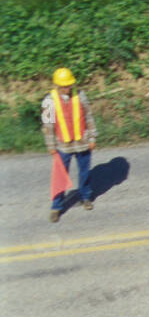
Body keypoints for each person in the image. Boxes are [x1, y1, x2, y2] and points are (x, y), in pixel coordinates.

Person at [42, 67, 97, 222]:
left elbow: (89, 117)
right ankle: (56, 206)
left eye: (69, 85)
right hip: (62, 146)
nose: (67, 88)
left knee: (84, 172)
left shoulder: (81, 96)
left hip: (82, 142)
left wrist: (92, 137)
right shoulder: (48, 101)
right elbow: (48, 125)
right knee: (59, 176)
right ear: (57, 86)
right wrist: (51, 146)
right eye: (64, 86)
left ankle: (85, 197)